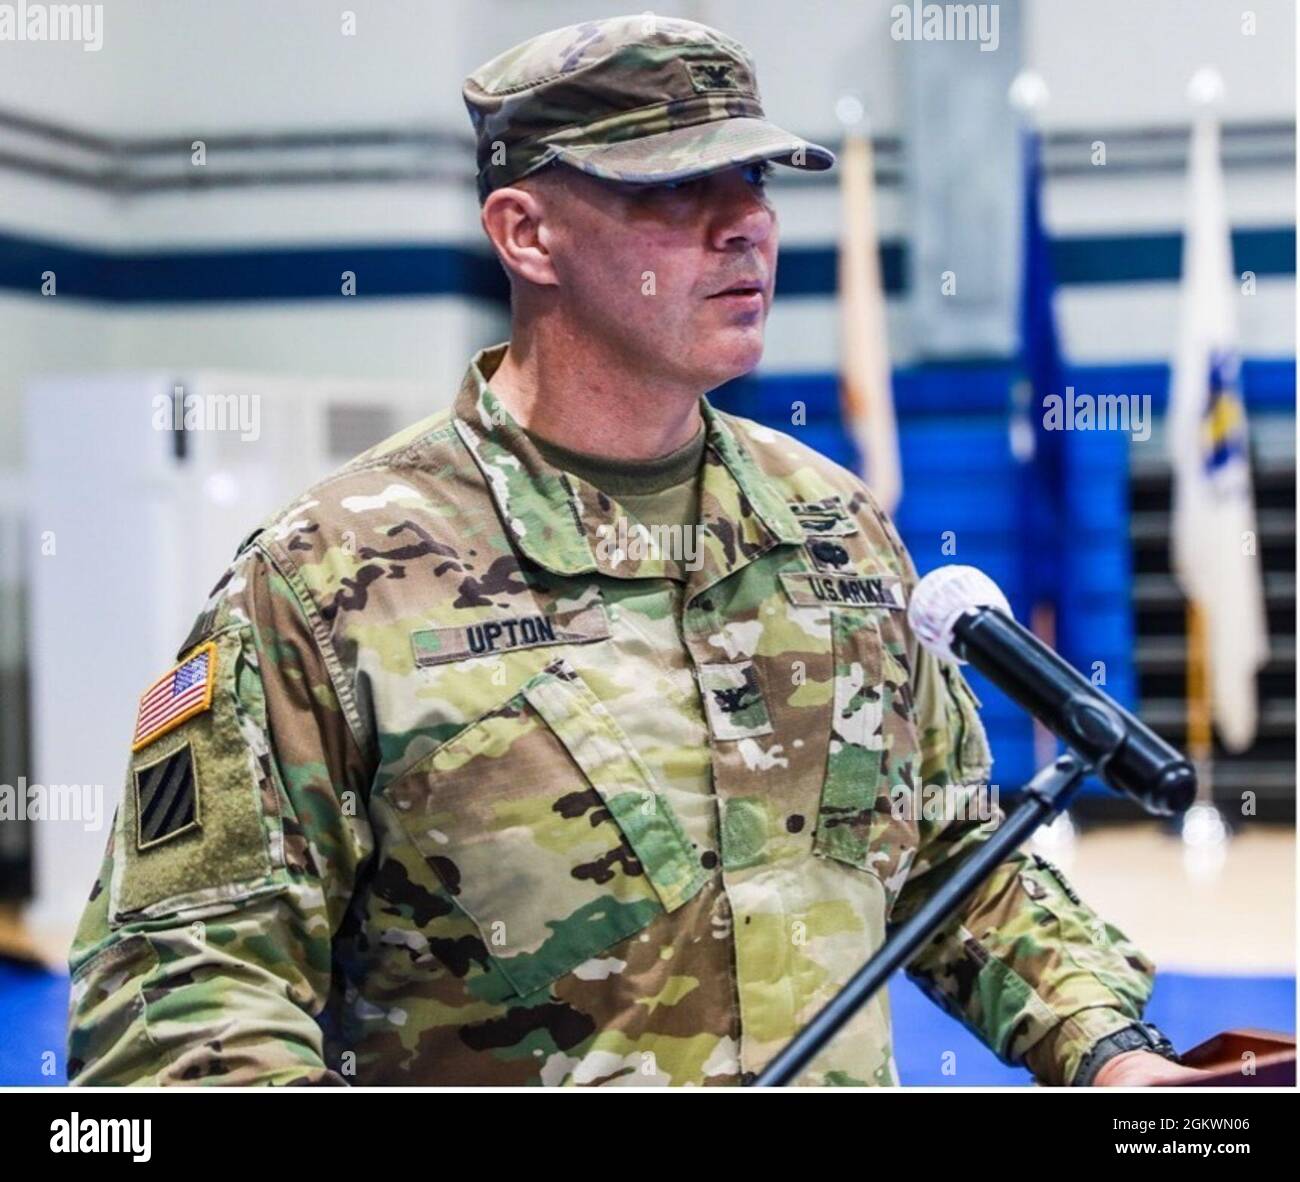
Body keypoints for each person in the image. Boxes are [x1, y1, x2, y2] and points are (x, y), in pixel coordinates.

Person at [67, 14, 1198, 1087]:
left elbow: (954, 860)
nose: (742, 221)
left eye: (750, 178)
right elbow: (181, 990)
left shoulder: (833, 529)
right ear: (525, 233)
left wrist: (1111, 1048)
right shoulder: (325, 581)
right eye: (672, 186)